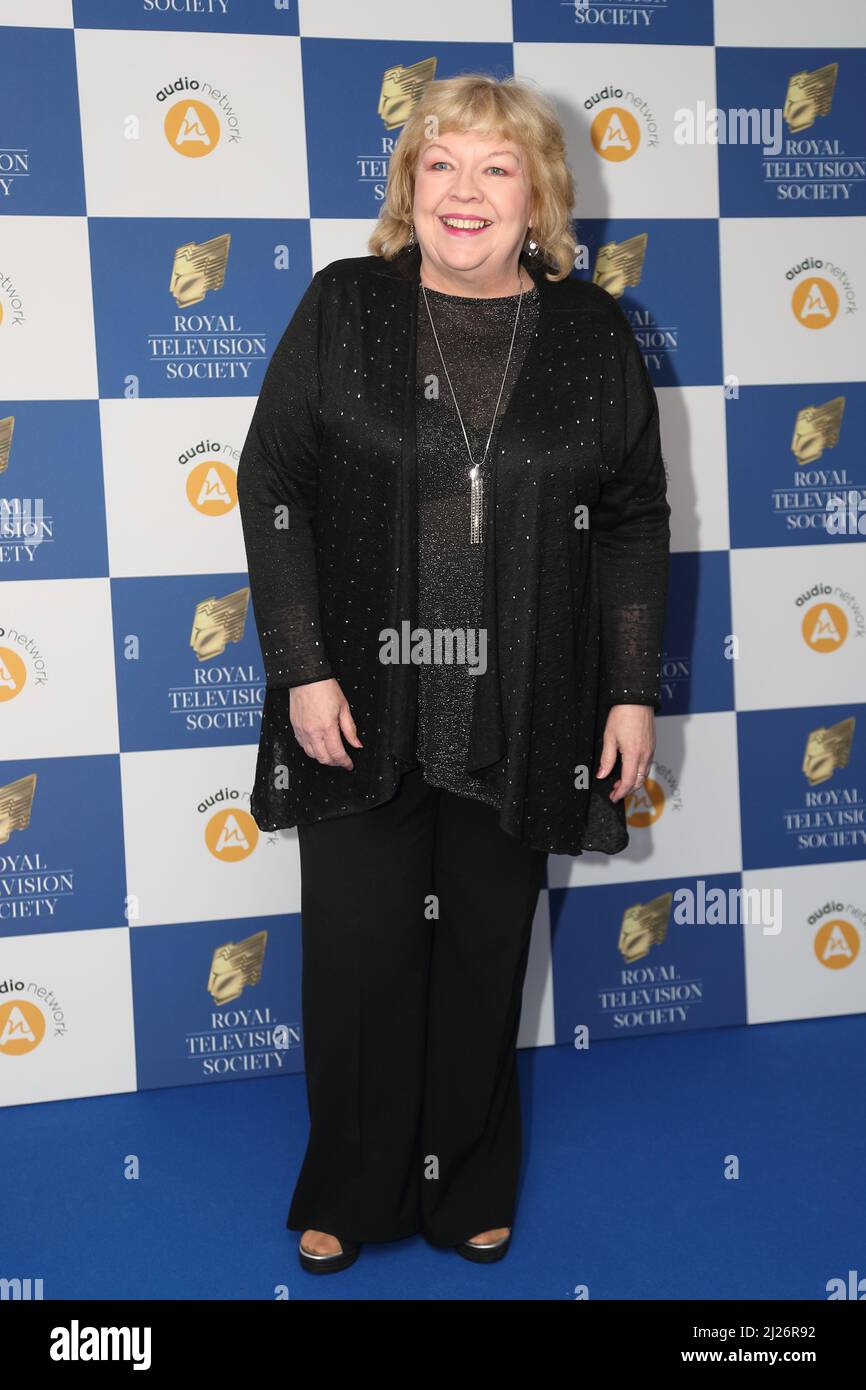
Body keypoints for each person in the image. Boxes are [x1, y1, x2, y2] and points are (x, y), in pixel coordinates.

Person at [237, 72, 670, 1275]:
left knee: (483, 957)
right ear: (408, 188)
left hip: (523, 700)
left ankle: (467, 1180)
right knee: (361, 960)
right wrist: (304, 666)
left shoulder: (589, 329)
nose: (464, 191)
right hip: (363, 701)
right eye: (440, 165)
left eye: (494, 168)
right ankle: (350, 1187)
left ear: (535, 195)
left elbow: (633, 511)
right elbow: (271, 488)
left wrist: (629, 685)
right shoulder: (345, 306)